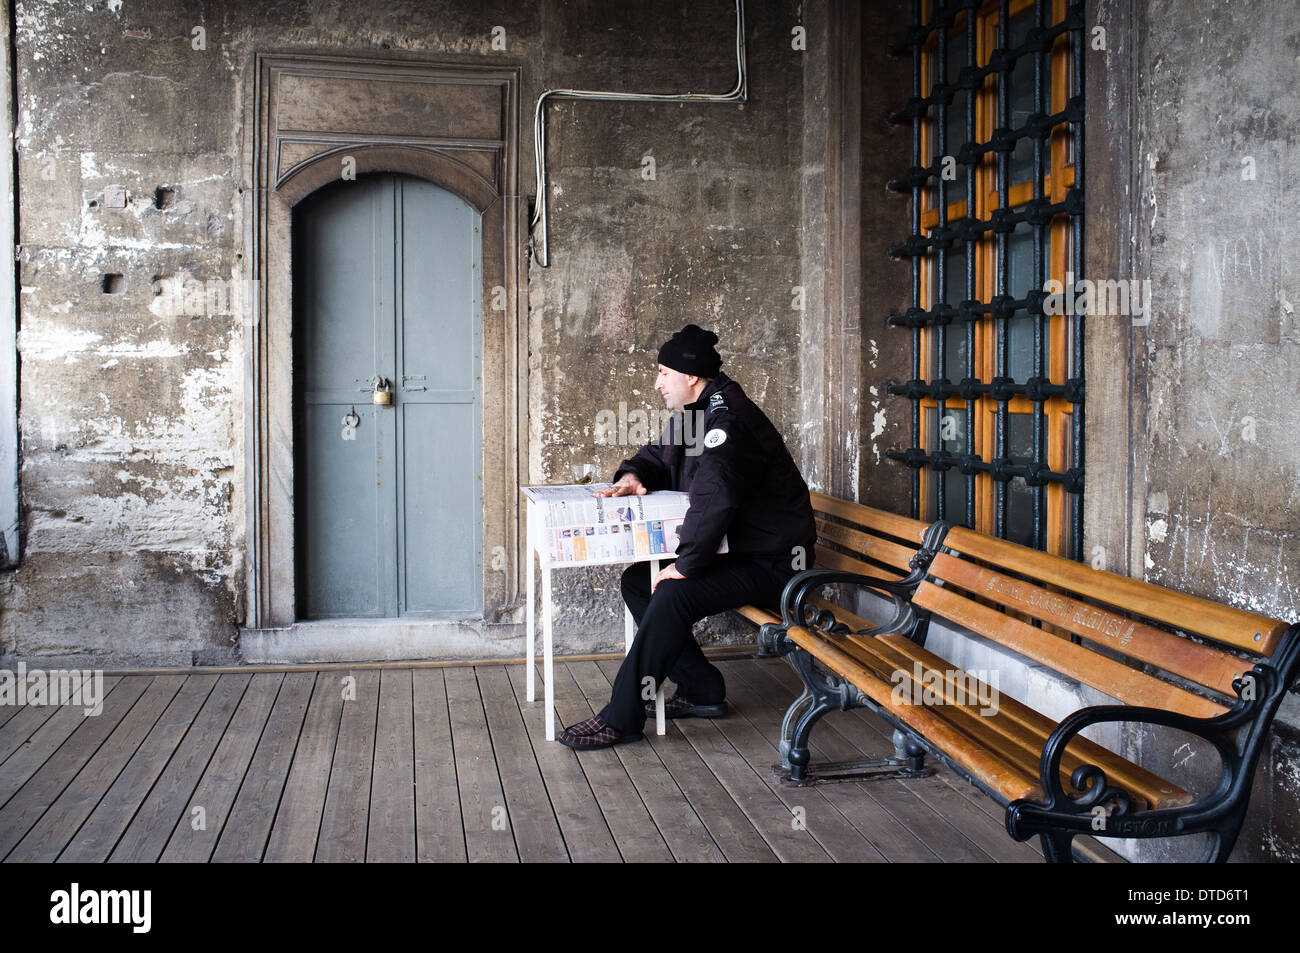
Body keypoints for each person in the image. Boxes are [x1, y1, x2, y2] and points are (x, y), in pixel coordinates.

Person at [557, 324, 817, 750]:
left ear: (690, 376)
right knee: (639, 581)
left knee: (672, 593)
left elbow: (716, 497)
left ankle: (621, 718)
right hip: (745, 551)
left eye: (663, 373)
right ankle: (702, 690)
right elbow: (659, 456)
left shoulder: (727, 420)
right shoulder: (699, 413)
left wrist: (685, 565)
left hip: (775, 560)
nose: (657, 384)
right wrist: (632, 476)